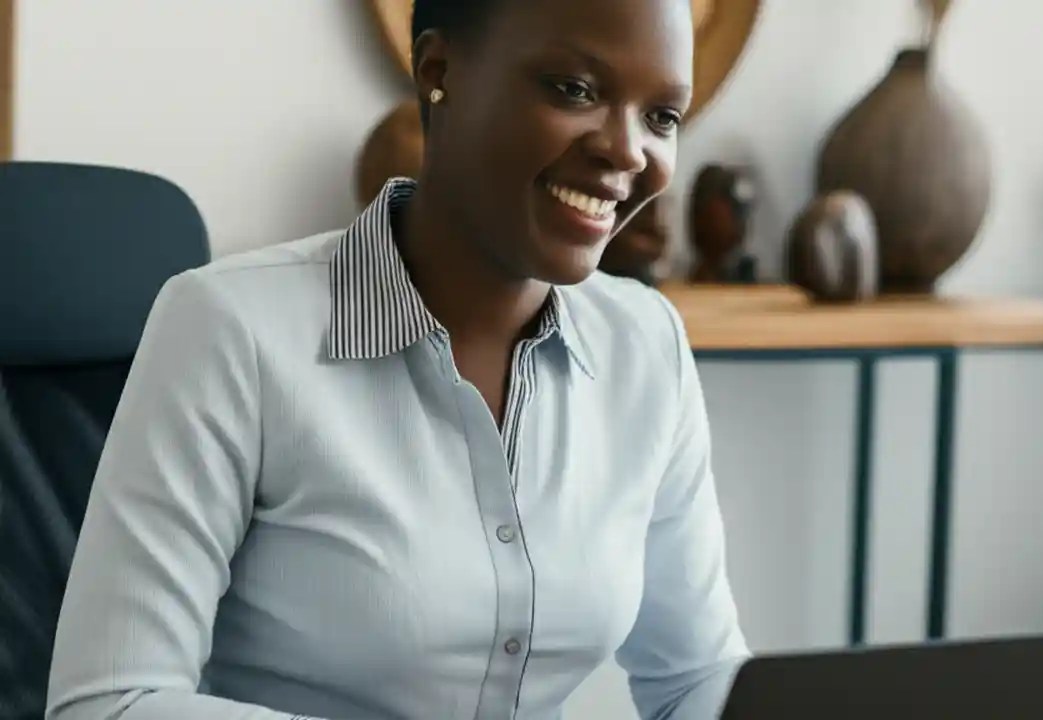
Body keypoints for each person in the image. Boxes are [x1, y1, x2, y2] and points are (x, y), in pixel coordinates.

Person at [44, 0, 750, 718]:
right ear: (439, 72)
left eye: (662, 117)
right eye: (575, 89)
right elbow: (110, 704)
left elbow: (694, 677)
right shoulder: (231, 330)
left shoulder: (645, 344)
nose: (628, 151)